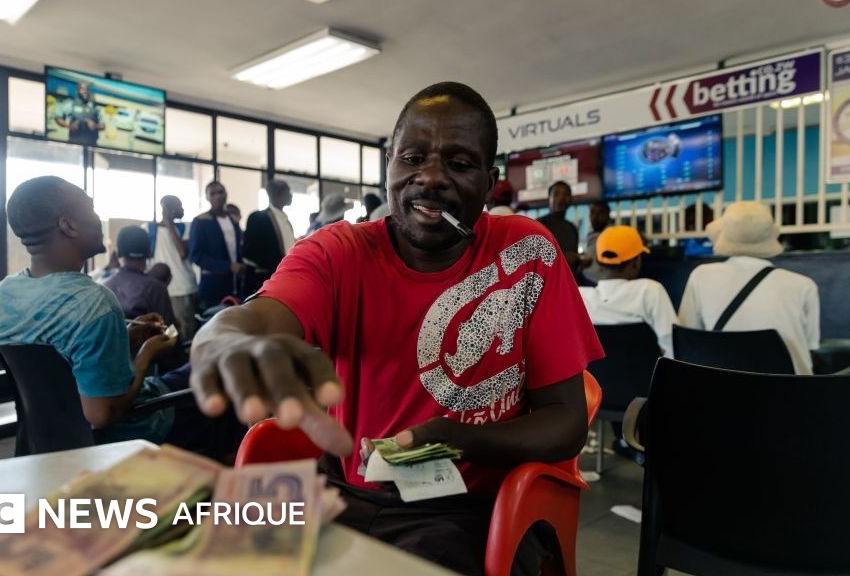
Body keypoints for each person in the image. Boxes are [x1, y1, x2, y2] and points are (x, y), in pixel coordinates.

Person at [188, 82, 603, 574]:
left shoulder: (526, 254)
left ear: (490, 182)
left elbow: (566, 421)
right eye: (411, 158)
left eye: (460, 163)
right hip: (335, 493)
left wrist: (462, 438)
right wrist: (221, 342)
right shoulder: (336, 252)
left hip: (468, 509)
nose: (430, 178)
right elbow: (254, 319)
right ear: (390, 166)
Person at [0, 176, 242, 455]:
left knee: (198, 369)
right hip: (125, 435)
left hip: (48, 437)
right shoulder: (94, 304)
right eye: (91, 209)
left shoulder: (1, 296)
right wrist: (147, 355)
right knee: (226, 384)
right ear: (68, 225)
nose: (98, 219)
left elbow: (56, 361)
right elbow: (104, 414)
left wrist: (125, 335)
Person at [679, 201, 820, 374]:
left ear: (722, 234)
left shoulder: (700, 276)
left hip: (718, 392)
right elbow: (809, 351)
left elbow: (689, 341)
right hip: (789, 395)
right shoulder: (804, 286)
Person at [578, 225, 676, 358]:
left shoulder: (578, 298)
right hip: (646, 378)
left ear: (598, 263)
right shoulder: (650, 291)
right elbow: (674, 346)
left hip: (593, 379)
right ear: (636, 262)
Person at [148, 195, 198, 342]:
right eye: (178, 206)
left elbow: (183, 252)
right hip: (159, 288)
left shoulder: (186, 227)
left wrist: (170, 225)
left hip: (182, 288)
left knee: (185, 330)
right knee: (163, 330)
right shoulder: (150, 229)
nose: (181, 210)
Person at [104, 226, 175, 325]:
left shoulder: (105, 286)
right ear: (149, 253)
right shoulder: (156, 288)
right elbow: (170, 333)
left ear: (119, 253)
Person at [189, 181, 243, 309]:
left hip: (235, 285)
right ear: (207, 197)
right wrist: (227, 267)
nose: (217, 196)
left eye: (220, 192)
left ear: (226, 194)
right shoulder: (201, 221)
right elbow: (196, 256)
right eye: (212, 194)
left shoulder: (233, 221)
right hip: (213, 287)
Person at [242, 179, 295, 297]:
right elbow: (249, 253)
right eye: (288, 191)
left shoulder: (286, 220)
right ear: (278, 193)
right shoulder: (258, 218)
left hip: (285, 279)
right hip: (265, 282)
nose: (291, 195)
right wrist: (278, 267)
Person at [536, 181, 581, 276]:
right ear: (549, 199)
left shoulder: (572, 228)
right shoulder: (538, 225)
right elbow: (533, 259)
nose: (561, 198)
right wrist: (563, 257)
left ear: (571, 200)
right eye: (556, 194)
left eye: (565, 195)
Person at [54, 83, 104, 147]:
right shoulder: (70, 103)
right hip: (73, 143)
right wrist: (69, 125)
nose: (84, 91)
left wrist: (95, 126)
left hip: (92, 144)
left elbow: (103, 125)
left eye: (86, 89)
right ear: (77, 90)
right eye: (82, 89)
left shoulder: (95, 107)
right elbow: (58, 117)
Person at [581, 200, 611, 283]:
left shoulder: (613, 234)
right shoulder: (590, 235)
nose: (595, 217)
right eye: (592, 213)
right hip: (587, 279)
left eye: (600, 213)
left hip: (602, 281)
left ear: (608, 216)